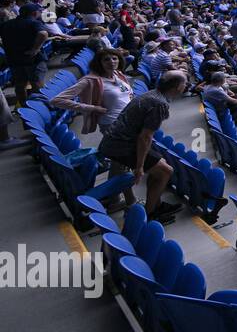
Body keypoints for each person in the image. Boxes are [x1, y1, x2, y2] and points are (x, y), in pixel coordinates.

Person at [95, 70, 187, 223]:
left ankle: (156, 204)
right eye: (184, 83)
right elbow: (145, 137)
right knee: (166, 172)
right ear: (177, 87)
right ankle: (150, 214)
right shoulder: (159, 104)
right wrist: (139, 167)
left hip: (119, 140)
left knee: (161, 166)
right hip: (120, 145)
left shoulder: (154, 94)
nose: (186, 85)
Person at [50, 48, 133, 134]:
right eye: (106, 59)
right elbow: (56, 100)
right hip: (113, 124)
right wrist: (91, 108)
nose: (112, 62)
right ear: (99, 63)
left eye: (114, 58)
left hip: (129, 118)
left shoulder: (117, 74)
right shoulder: (90, 80)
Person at [0, 2, 48, 106]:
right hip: (33, 59)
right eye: (39, 11)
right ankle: (40, 108)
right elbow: (43, 34)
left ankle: (23, 107)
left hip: (14, 59)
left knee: (20, 85)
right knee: (37, 83)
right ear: (34, 13)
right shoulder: (34, 22)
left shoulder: (7, 24)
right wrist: (35, 49)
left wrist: (6, 47)